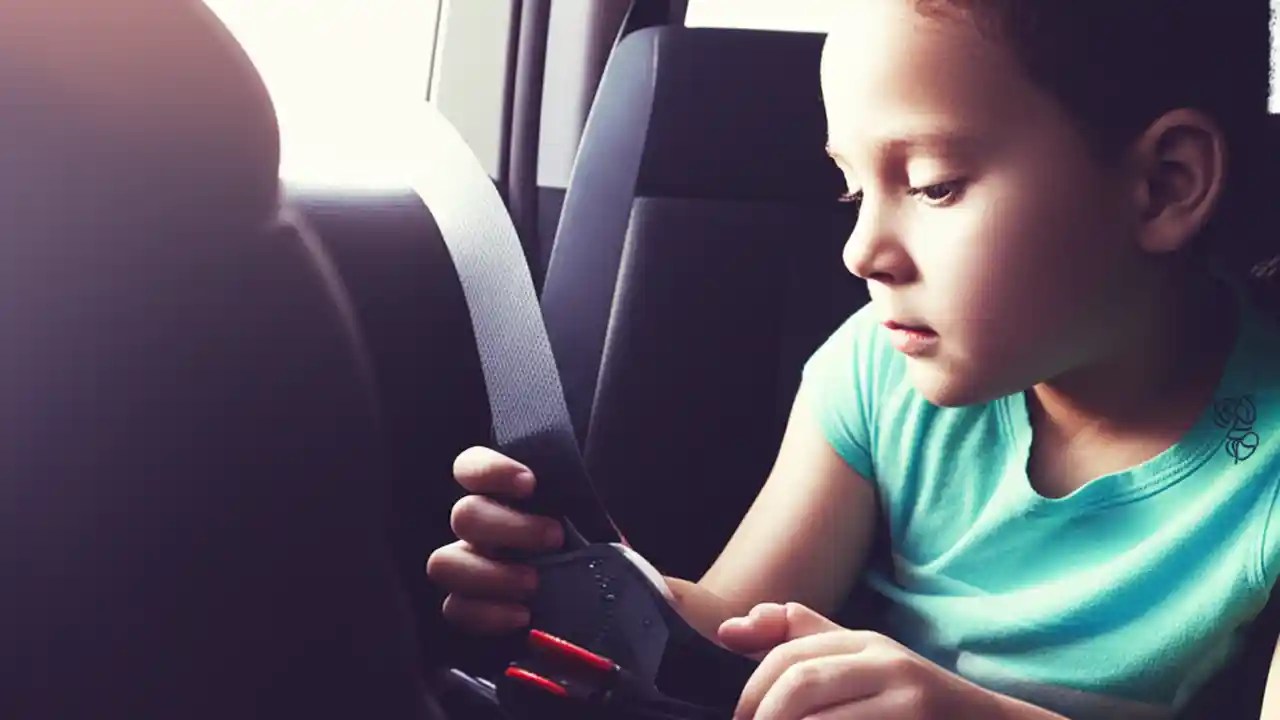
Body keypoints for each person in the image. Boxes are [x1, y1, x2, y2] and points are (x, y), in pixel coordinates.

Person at [426, 1, 1280, 718]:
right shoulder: (878, 373)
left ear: (1164, 185)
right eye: (852, 189)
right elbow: (734, 628)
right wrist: (600, 594)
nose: (861, 250)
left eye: (935, 183)